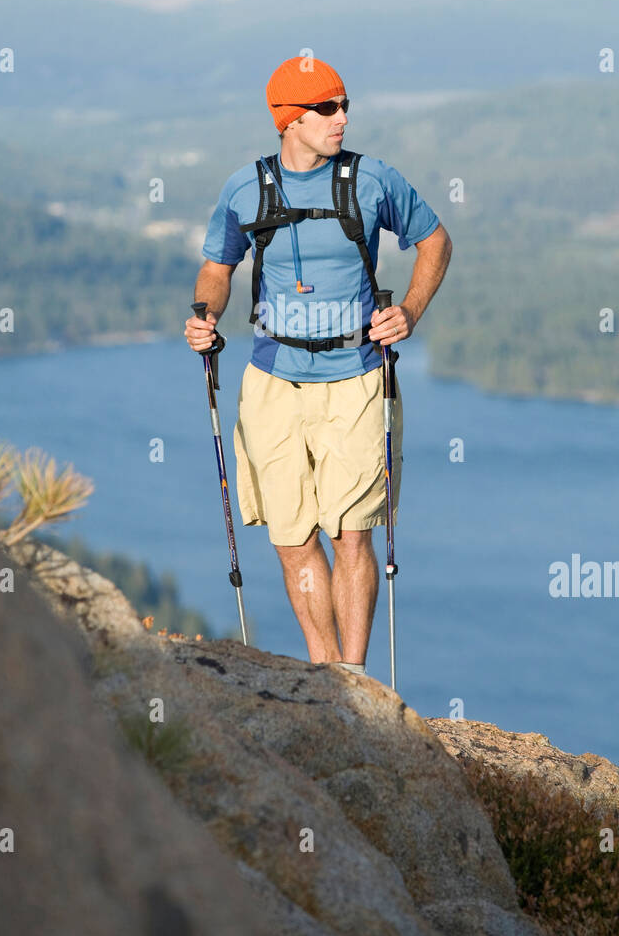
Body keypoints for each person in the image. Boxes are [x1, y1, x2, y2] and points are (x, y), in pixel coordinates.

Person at [185, 56, 452, 677]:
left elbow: (435, 241)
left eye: (345, 104)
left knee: (351, 533)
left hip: (357, 376)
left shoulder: (373, 181)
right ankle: (324, 675)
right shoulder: (244, 189)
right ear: (288, 120)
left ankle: (353, 683)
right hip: (273, 380)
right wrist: (204, 315)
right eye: (327, 108)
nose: (343, 118)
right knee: (291, 539)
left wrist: (409, 311)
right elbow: (217, 268)